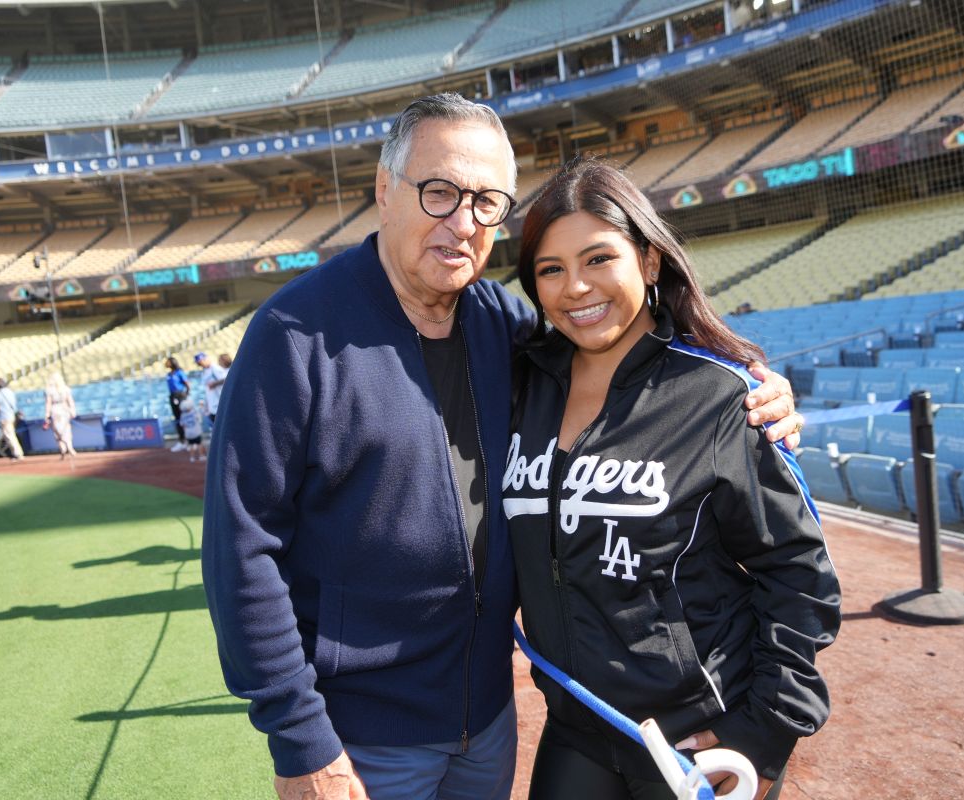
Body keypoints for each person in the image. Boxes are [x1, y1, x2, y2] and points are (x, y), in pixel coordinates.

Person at [201, 94, 803, 800]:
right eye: (440, 193)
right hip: (361, 743)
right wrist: (300, 740)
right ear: (384, 191)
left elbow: (615, 329)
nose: (463, 223)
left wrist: (747, 383)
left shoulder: (506, 324)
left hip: (488, 726)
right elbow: (241, 550)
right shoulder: (293, 334)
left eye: (488, 202)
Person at [505, 161, 839, 800]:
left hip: (702, 738)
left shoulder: (718, 397)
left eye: (598, 258)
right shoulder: (520, 384)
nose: (575, 288)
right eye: (551, 269)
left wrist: (764, 733)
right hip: (579, 725)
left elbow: (799, 573)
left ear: (650, 261)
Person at [43, 372, 78, 462]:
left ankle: (64, 448)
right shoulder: (65, 389)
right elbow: (70, 401)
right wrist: (72, 410)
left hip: (55, 411)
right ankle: (69, 447)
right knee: (66, 430)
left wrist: (47, 414)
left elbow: (48, 403)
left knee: (58, 432)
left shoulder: (49, 390)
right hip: (65, 410)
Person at [0, 377, 24, 461]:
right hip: (12, 415)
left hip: (5, 416)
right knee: (10, 434)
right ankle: (15, 453)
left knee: (9, 435)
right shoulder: (9, 391)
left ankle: (17, 453)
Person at [164, 356, 190, 452]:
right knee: (178, 419)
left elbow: (187, 384)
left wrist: (185, 395)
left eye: (168, 361)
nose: (166, 363)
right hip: (172, 396)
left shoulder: (179, 372)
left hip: (180, 396)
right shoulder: (169, 374)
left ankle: (189, 441)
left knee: (185, 418)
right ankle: (181, 441)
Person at [194, 352, 227, 425]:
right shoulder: (204, 372)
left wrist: (215, 383)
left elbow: (227, 379)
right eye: (198, 363)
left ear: (206, 359)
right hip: (212, 406)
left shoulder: (215, 368)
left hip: (220, 404)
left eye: (201, 362)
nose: (200, 365)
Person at [178, 393, 206, 462]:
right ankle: (202, 456)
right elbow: (200, 417)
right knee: (199, 444)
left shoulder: (182, 415)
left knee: (191, 445)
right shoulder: (194, 412)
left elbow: (182, 425)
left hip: (188, 433)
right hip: (196, 432)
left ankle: (192, 457)